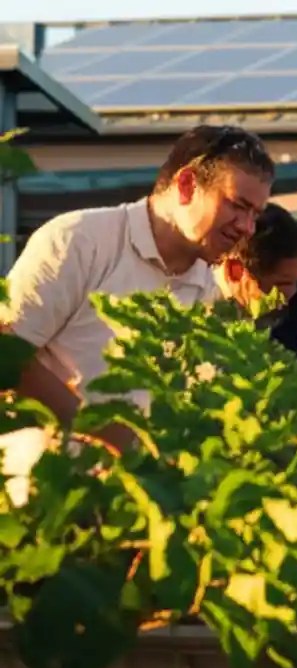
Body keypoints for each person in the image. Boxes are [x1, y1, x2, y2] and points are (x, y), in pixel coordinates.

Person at [2, 124, 274, 453]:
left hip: (149, 498)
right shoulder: (79, 240)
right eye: (237, 205)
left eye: (255, 214)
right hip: (48, 485)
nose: (246, 227)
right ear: (187, 185)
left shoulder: (212, 291)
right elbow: (8, 354)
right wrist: (106, 433)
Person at [214, 201, 297, 329]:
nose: (292, 292)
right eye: (281, 284)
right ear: (235, 271)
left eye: (296, 281)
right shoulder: (193, 317)